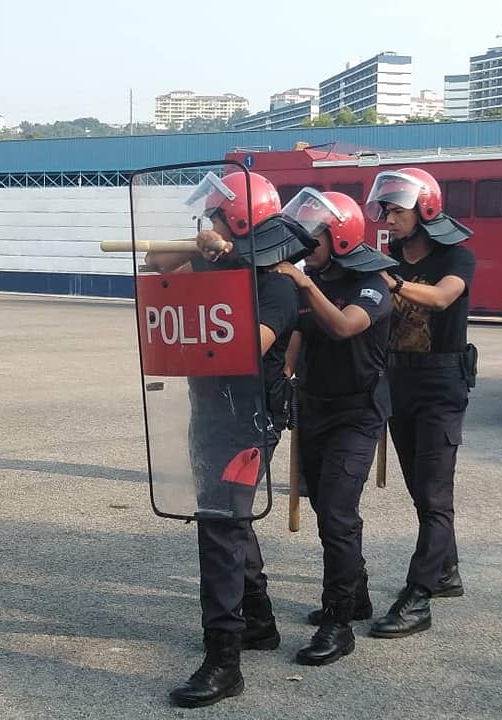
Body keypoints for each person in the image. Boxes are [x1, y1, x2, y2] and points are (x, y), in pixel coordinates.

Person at [161, 171, 315, 708]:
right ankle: (259, 621)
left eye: (215, 216)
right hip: (208, 410)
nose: (208, 221)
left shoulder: (275, 285)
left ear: (241, 221)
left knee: (220, 530)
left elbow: (245, 344)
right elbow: (156, 267)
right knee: (231, 520)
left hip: (249, 422)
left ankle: (223, 660)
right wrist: (198, 247)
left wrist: (216, 270)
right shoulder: (214, 263)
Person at [273, 188, 396, 665]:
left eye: (314, 238)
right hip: (315, 408)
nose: (306, 247)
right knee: (326, 507)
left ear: (340, 237)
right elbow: (299, 334)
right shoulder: (313, 277)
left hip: (357, 414)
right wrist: (284, 373)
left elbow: (346, 326)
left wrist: (304, 285)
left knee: (339, 514)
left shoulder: (371, 282)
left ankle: (338, 621)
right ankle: (357, 594)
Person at [362, 168, 476, 639]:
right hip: (398, 382)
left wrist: (392, 284)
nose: (388, 219)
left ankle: (419, 596)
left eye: (397, 211)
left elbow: (443, 298)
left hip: (441, 384)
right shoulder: (388, 259)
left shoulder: (456, 257)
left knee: (434, 496)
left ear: (425, 210)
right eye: (385, 210)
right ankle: (445, 571)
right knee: (419, 490)